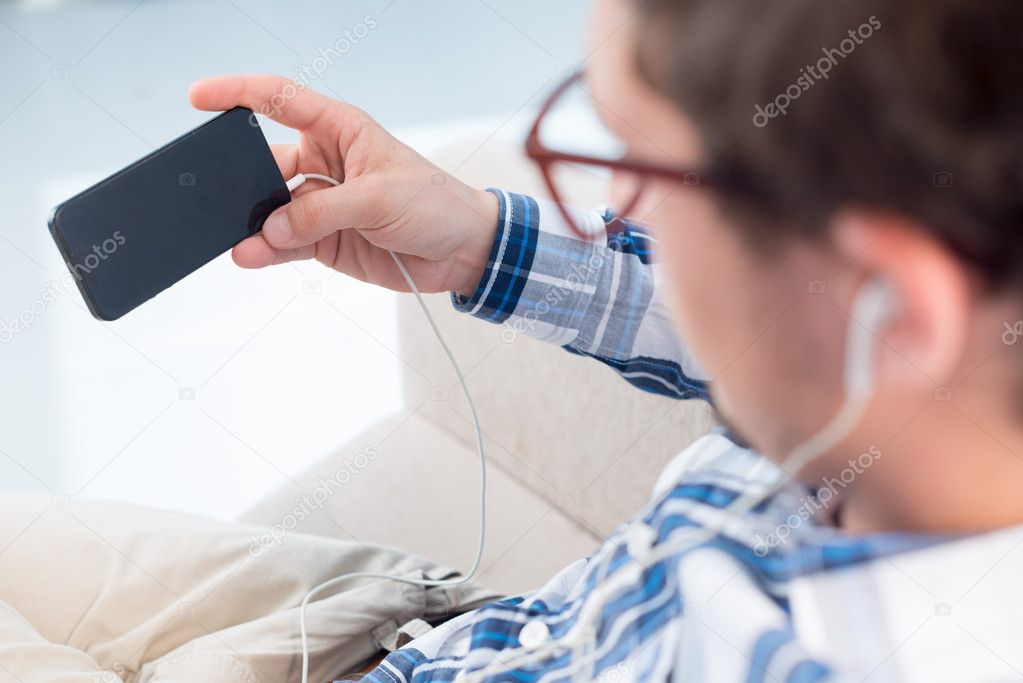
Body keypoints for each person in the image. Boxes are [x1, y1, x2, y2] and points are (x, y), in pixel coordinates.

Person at [3, 0, 1022, 680]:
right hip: (432, 628)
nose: (612, 211)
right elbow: (755, 320)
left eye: (645, 171)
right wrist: (477, 241)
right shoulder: (912, 369)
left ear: (895, 309)